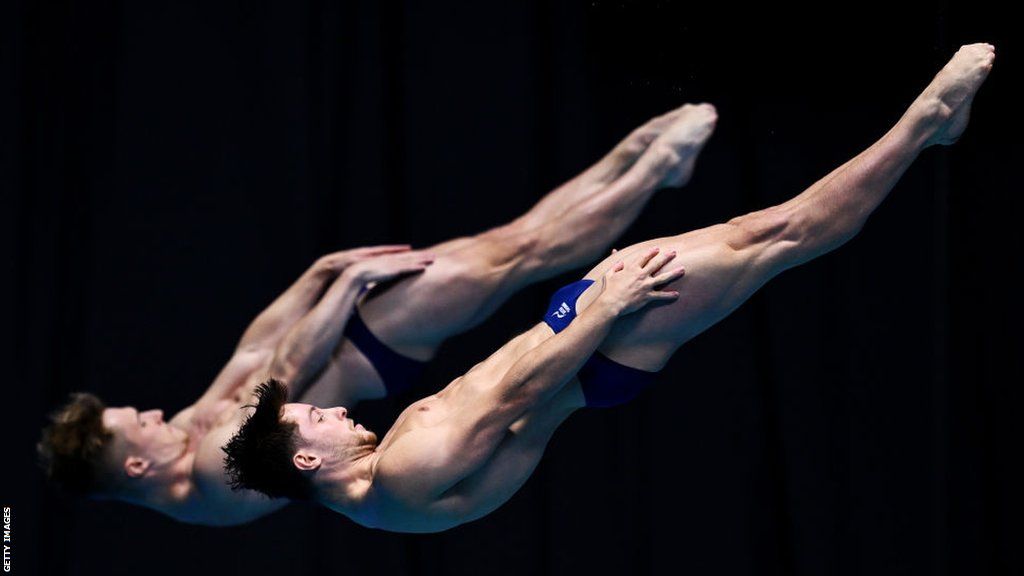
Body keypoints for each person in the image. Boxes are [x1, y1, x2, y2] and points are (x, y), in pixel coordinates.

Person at [224, 44, 995, 533]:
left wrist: (589, 309)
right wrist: (608, 307)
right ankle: (927, 121)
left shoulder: (382, 483)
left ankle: (662, 162)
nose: (332, 408)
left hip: (579, 337)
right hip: (596, 352)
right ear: (306, 462)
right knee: (774, 237)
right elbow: (519, 395)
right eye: (315, 418)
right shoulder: (399, 479)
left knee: (755, 236)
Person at [37, 101, 719, 525]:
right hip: (366, 346)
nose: (154, 413)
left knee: (511, 246)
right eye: (137, 423)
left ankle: (642, 158)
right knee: (517, 254)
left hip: (352, 341)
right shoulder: (214, 474)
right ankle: (653, 167)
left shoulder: (185, 437)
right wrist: (343, 287)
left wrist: (315, 277)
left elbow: (250, 353)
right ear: (135, 467)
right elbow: (282, 368)